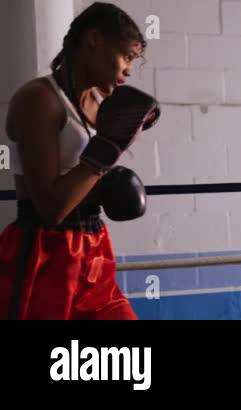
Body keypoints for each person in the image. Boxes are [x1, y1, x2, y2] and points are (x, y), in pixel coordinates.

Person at [0, 2, 159, 320]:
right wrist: (106, 150)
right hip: (43, 254)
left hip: (92, 250)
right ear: (94, 39)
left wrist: (110, 174)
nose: (129, 69)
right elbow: (51, 209)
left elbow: (88, 179)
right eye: (126, 56)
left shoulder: (100, 107)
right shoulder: (39, 99)